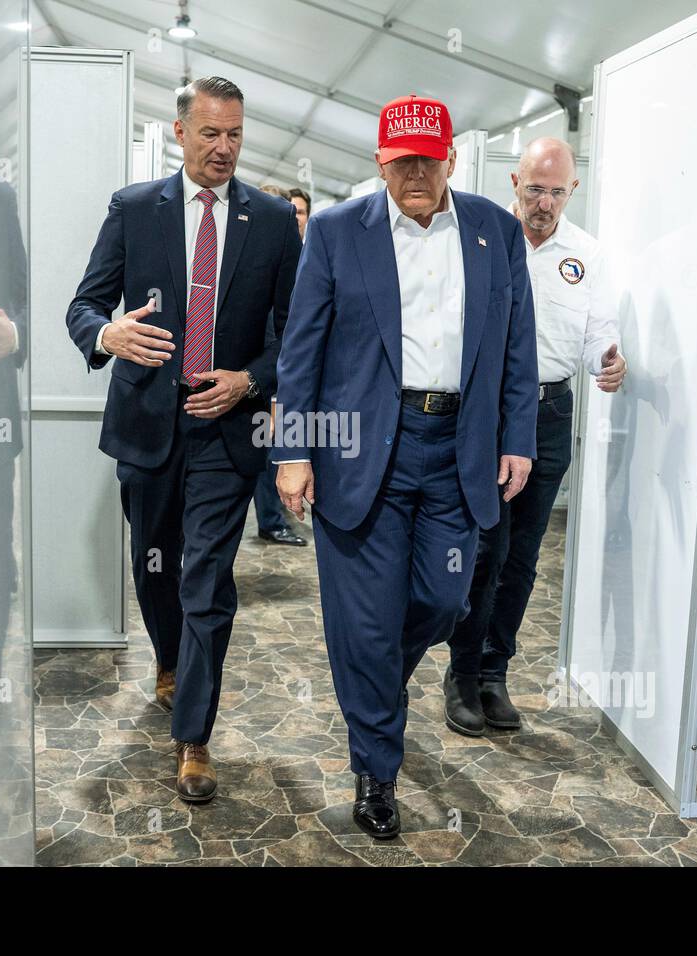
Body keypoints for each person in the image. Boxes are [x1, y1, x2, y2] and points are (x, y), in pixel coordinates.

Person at [273, 94, 538, 839]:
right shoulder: (334, 233)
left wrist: (517, 437)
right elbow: (302, 353)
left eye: (428, 158)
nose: (415, 173)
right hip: (359, 455)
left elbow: (517, 345)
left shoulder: (494, 231)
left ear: (451, 157)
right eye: (401, 160)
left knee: (444, 598)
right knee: (363, 622)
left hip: (459, 450)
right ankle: (375, 770)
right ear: (380, 162)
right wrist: (292, 450)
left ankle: (373, 694)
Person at [65, 77, 301, 803]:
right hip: (146, 428)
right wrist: (108, 333)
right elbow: (83, 304)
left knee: (207, 582)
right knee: (156, 567)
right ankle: (169, 662)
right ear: (180, 132)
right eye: (210, 134)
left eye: (234, 135)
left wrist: (250, 381)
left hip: (224, 435)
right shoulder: (136, 209)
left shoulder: (272, 221)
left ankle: (194, 738)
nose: (224, 148)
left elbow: (292, 334)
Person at [443, 136, 626, 736]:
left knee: (523, 557)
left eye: (556, 191)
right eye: (534, 188)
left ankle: (495, 673)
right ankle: (462, 674)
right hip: (487, 414)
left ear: (572, 191)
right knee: (485, 552)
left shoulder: (588, 256)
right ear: (513, 185)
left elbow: (601, 334)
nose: (543, 202)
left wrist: (613, 361)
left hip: (550, 413)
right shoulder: (481, 241)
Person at [250, 184, 307, 547]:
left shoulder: (308, 252)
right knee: (267, 442)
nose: (293, 217)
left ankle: (276, 515)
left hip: (289, 368)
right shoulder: (265, 254)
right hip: (270, 366)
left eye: (299, 212)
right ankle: (271, 519)